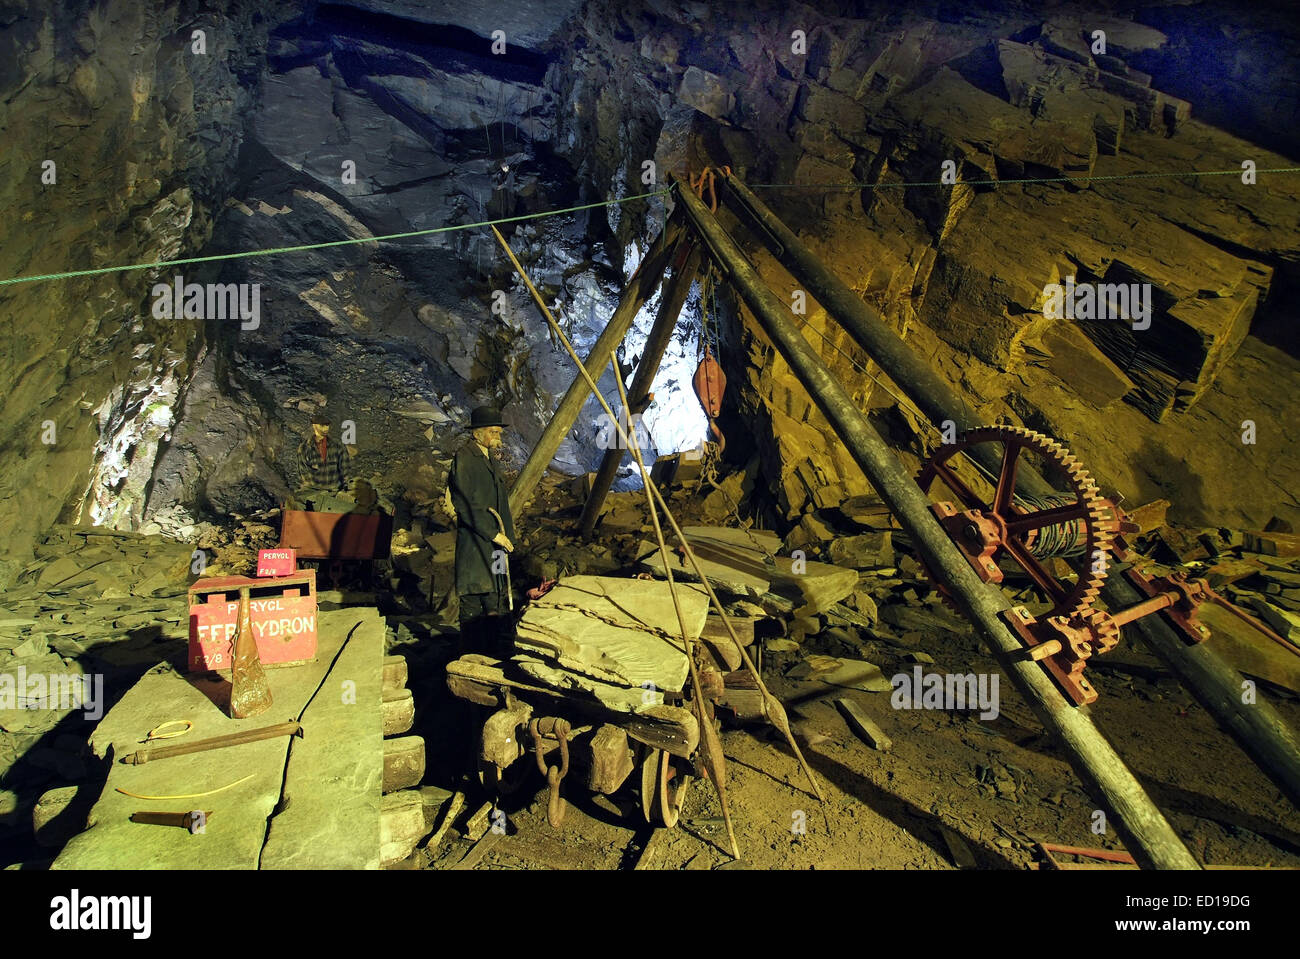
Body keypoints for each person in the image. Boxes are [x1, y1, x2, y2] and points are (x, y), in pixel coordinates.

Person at [446, 406, 517, 656]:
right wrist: (493, 533)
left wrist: (508, 536)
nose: (497, 435)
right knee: (474, 608)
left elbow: (501, 505)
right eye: (493, 431)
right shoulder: (465, 459)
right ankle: (470, 664)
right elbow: (465, 505)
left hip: (495, 549)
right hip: (476, 548)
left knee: (496, 601)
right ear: (477, 433)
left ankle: (495, 660)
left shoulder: (489, 458)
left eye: (498, 431)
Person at [293, 412, 353, 512]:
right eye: (322, 425)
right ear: (314, 426)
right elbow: (303, 472)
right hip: (312, 490)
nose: (326, 429)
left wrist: (344, 488)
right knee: (295, 501)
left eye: (327, 425)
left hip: (334, 489)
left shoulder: (338, 445)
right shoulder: (304, 448)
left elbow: (345, 468)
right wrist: (316, 490)